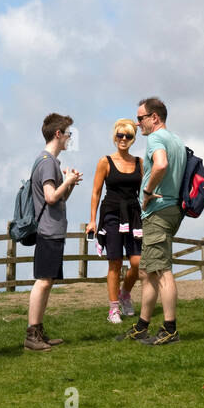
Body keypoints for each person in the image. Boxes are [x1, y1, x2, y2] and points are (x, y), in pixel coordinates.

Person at [115, 96, 187, 345]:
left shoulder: (156, 138)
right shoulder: (176, 140)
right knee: (147, 271)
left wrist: (147, 193)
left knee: (162, 271)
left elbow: (161, 165)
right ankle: (142, 327)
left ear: (154, 118)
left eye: (141, 118)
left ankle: (170, 330)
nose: (137, 124)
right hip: (171, 210)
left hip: (159, 210)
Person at [26, 114, 81, 352]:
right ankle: (32, 334)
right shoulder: (48, 162)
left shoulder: (49, 161)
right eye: (68, 133)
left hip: (52, 229)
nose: (70, 138)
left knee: (47, 281)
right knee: (43, 281)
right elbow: (50, 197)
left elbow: (56, 198)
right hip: (49, 230)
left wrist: (68, 183)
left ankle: (37, 331)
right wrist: (66, 181)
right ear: (58, 134)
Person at [85, 118, 144, 324]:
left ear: (133, 139)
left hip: (134, 214)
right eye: (120, 135)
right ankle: (113, 309)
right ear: (115, 137)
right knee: (115, 262)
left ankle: (125, 294)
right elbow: (96, 191)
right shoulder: (105, 161)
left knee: (137, 263)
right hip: (111, 213)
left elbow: (145, 191)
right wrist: (92, 220)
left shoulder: (139, 162)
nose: (124, 139)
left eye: (128, 136)